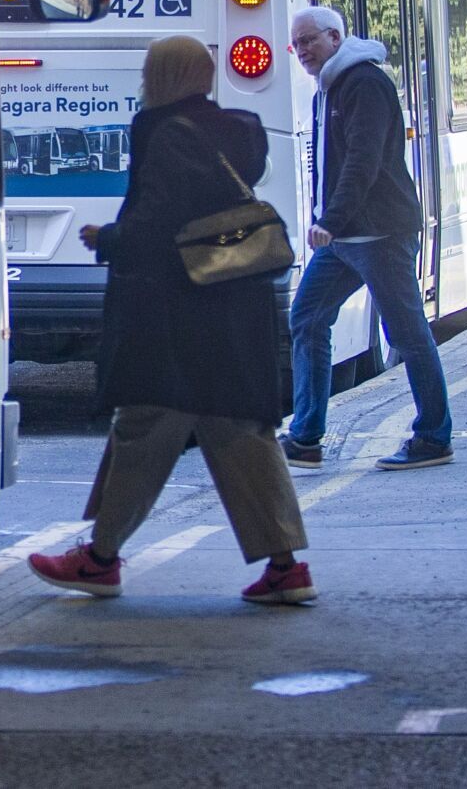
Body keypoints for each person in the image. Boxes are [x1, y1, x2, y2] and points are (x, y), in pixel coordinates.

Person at [28, 36, 315, 605]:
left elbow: (161, 225)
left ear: (161, 74)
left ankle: (100, 559)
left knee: (144, 427)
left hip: (177, 317)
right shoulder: (239, 130)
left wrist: (108, 238)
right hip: (236, 309)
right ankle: (285, 568)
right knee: (239, 433)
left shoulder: (165, 133)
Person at [280, 6, 453, 471]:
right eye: (297, 43)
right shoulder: (329, 88)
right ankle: (305, 438)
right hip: (344, 238)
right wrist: (329, 221)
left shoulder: (364, 84)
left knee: (406, 333)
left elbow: (363, 160)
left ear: (335, 37)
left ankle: (434, 436)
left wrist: (331, 220)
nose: (302, 50)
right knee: (307, 317)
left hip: (380, 233)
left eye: (310, 40)